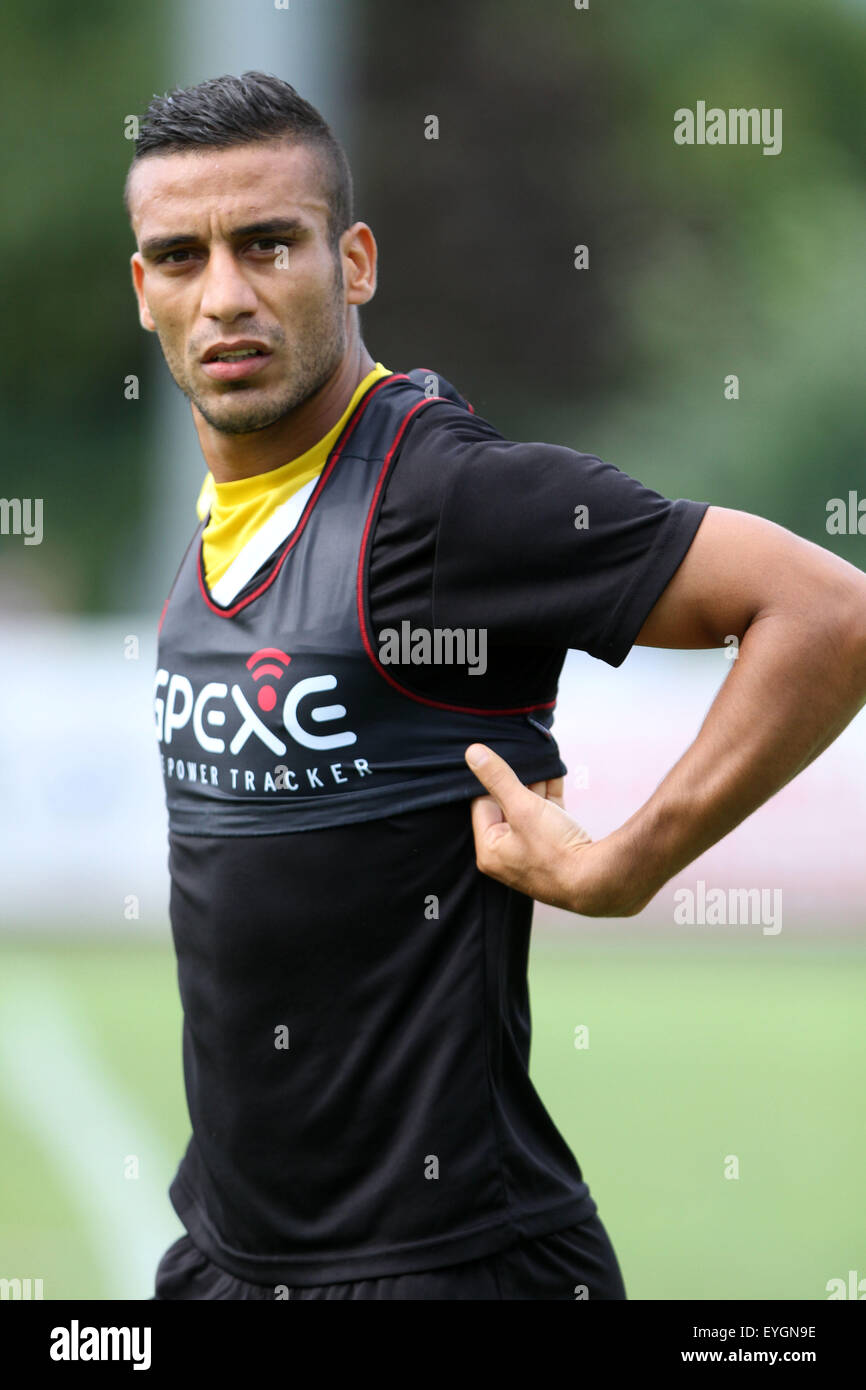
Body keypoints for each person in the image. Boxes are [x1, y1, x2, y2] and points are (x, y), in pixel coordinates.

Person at [126, 72, 866, 1300]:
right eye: (180, 255)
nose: (226, 295)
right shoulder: (229, 504)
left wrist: (625, 861)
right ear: (142, 286)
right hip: (229, 1259)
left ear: (352, 262)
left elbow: (826, 614)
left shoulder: (445, 498)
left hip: (449, 1263)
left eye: (269, 244)